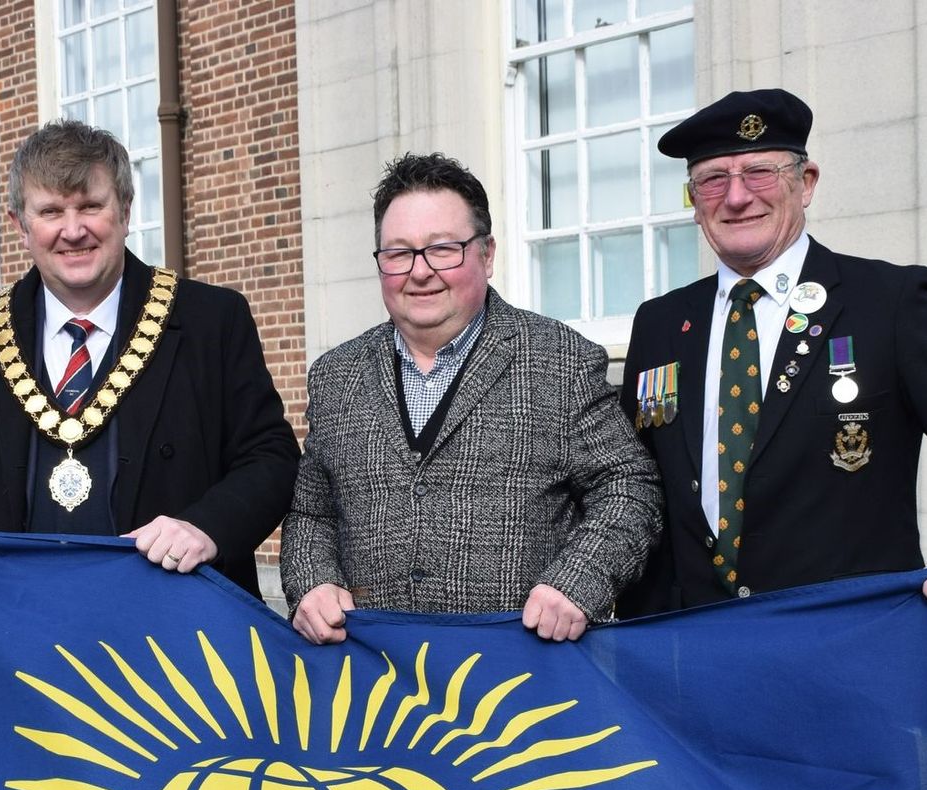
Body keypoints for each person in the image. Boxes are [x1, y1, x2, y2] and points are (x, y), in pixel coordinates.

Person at [618, 89, 927, 619]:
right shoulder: (661, 324)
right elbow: (628, 482)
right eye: (712, 180)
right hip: (687, 647)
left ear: (806, 183)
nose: (735, 197)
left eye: (759, 172)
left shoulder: (889, 303)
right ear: (693, 199)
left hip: (845, 644)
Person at [282, 153, 662, 644]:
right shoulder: (337, 376)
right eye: (398, 253)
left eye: (443, 249)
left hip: (523, 674)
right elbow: (312, 512)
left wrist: (577, 583)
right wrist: (312, 581)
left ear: (487, 253)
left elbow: (629, 486)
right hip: (377, 676)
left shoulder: (559, 360)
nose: (419, 272)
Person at [0, 120, 298, 596]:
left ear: (125, 210)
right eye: (51, 211)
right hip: (16, 623)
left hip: (173, 622)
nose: (73, 231)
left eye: (91, 206)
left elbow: (272, 459)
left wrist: (206, 527)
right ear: (19, 224)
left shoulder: (211, 321)